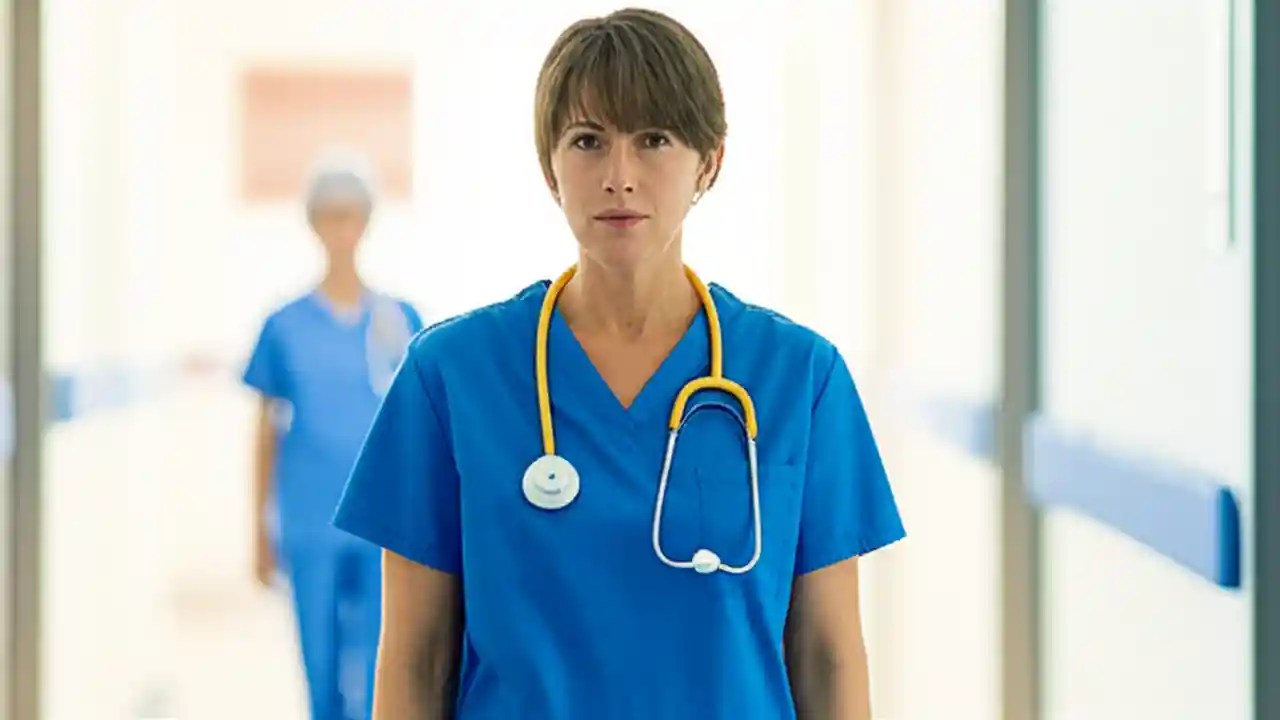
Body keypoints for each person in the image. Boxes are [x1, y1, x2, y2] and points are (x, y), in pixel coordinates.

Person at [333, 8, 905, 719]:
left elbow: (827, 653)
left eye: (654, 139)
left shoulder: (800, 379)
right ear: (551, 166)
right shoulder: (450, 377)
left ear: (709, 161)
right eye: (588, 141)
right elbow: (417, 659)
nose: (619, 176)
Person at [242, 153, 425, 720]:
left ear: (367, 223)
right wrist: (259, 527)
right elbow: (265, 432)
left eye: (352, 215)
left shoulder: (399, 319)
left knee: (378, 662)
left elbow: (418, 432)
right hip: (308, 520)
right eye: (330, 215)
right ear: (314, 224)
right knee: (318, 661)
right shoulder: (284, 325)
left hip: (380, 524)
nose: (342, 229)